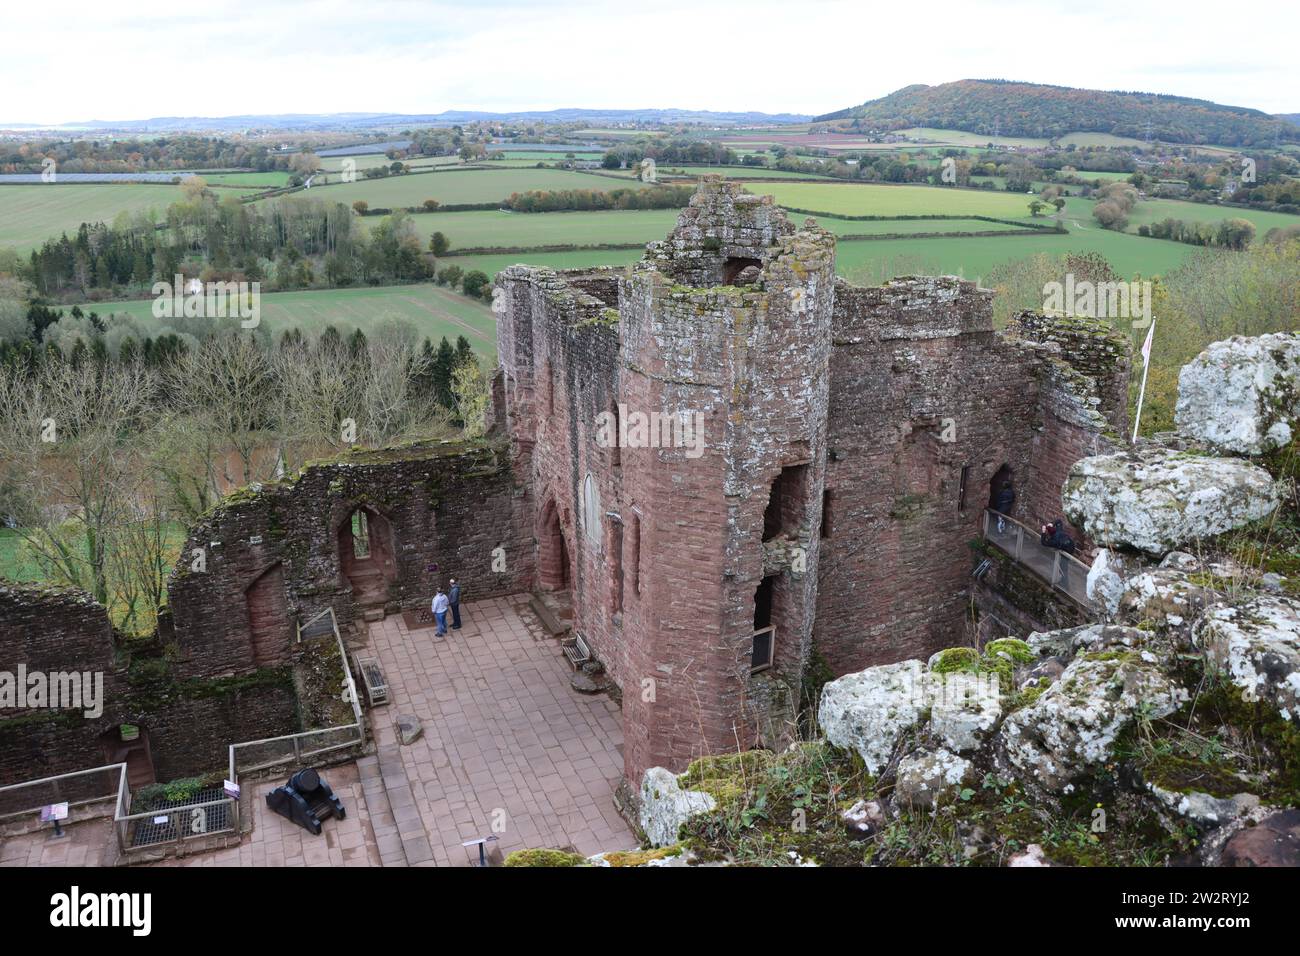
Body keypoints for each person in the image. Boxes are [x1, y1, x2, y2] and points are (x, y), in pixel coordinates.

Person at [1040, 520, 1077, 587]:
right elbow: (1059, 521)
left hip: (1067, 550)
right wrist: (1051, 524)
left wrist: (1043, 532)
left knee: (1063, 567)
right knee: (1063, 566)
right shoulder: (1058, 529)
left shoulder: (1053, 541)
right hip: (1071, 546)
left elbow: (1043, 542)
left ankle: (1065, 584)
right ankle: (1064, 581)